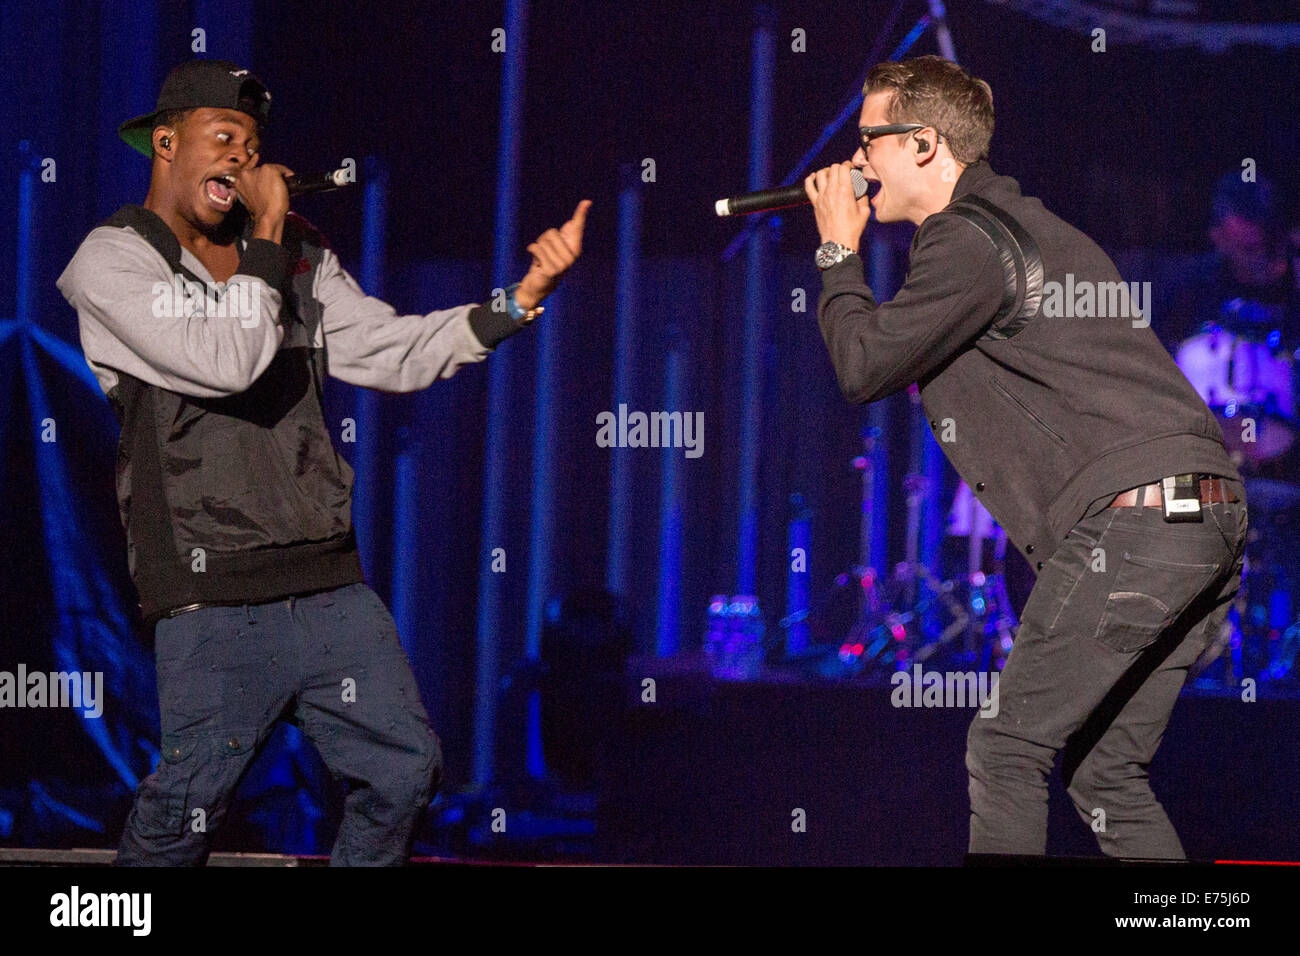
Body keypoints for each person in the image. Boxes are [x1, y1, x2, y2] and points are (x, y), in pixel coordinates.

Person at [56, 59, 590, 865]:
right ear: (166, 143)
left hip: (327, 581)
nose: (242, 158)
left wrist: (516, 298)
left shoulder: (296, 252)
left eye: (254, 144)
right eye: (223, 138)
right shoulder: (114, 262)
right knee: (191, 799)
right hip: (211, 591)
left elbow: (391, 351)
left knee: (406, 770)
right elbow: (224, 359)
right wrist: (268, 240)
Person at [804, 55, 1247, 859]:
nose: (857, 158)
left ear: (926, 144)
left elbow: (864, 366)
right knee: (1106, 777)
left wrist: (838, 252)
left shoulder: (965, 239)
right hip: (1200, 517)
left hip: (1142, 525)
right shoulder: (1020, 225)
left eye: (870, 139)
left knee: (1006, 749)